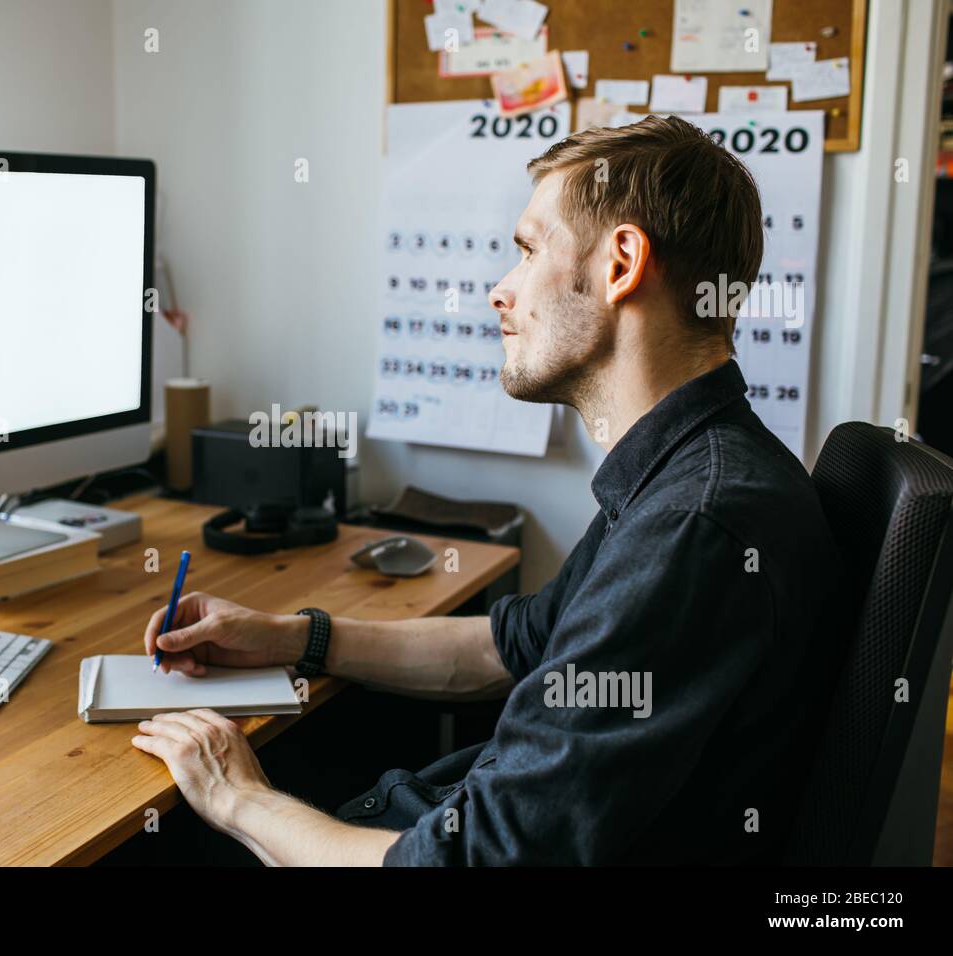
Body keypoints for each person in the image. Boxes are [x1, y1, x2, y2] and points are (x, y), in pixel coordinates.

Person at [131, 116, 842, 866]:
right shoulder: (690, 469)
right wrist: (292, 638)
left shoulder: (695, 526)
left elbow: (473, 863)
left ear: (621, 263)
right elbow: (514, 643)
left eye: (529, 249)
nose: (501, 291)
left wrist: (239, 798)